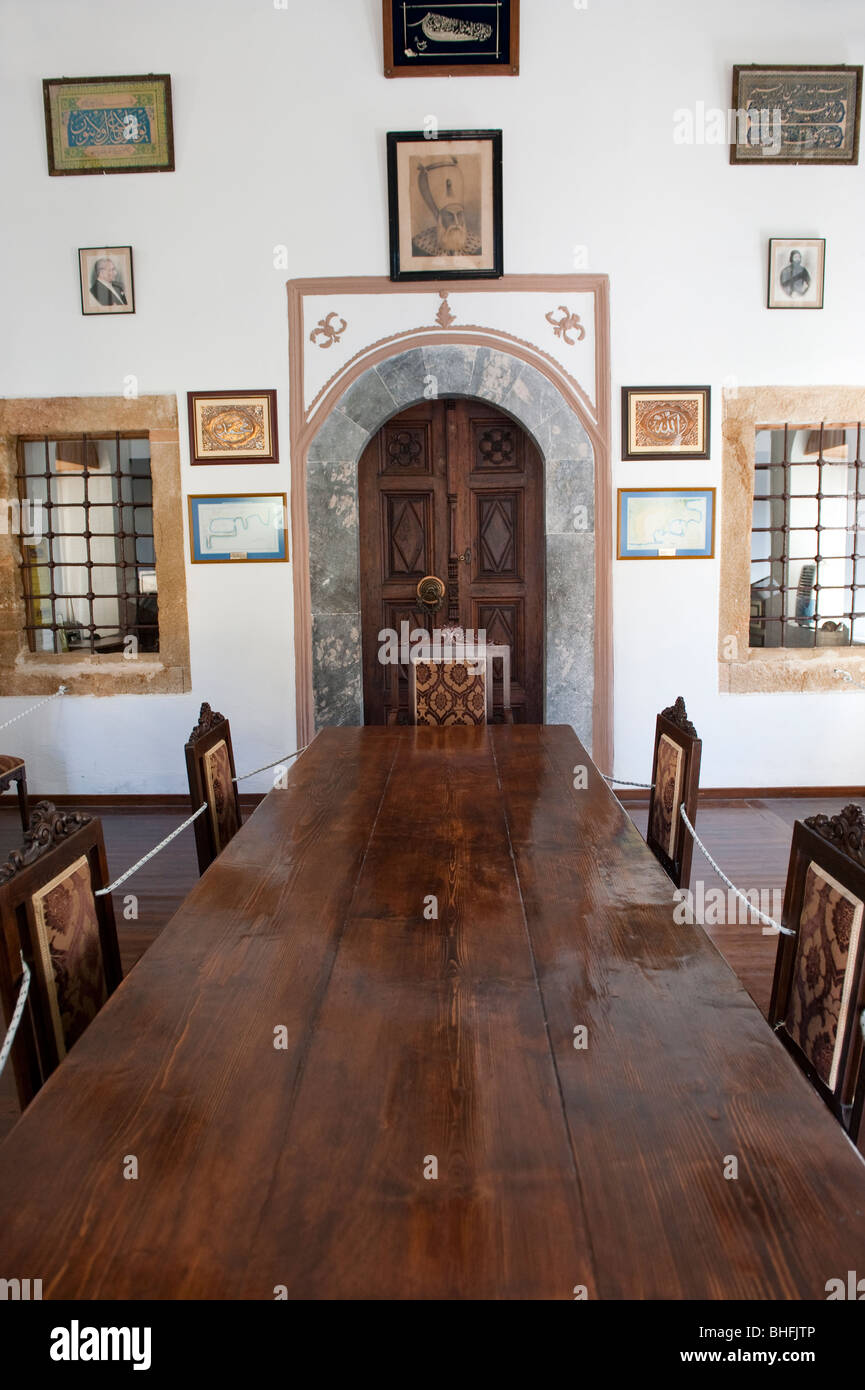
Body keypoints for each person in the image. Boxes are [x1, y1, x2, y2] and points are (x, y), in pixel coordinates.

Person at [412, 157, 481, 257]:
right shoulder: (418, 246)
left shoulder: (478, 247)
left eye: (459, 214)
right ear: (439, 218)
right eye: (449, 215)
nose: (456, 222)